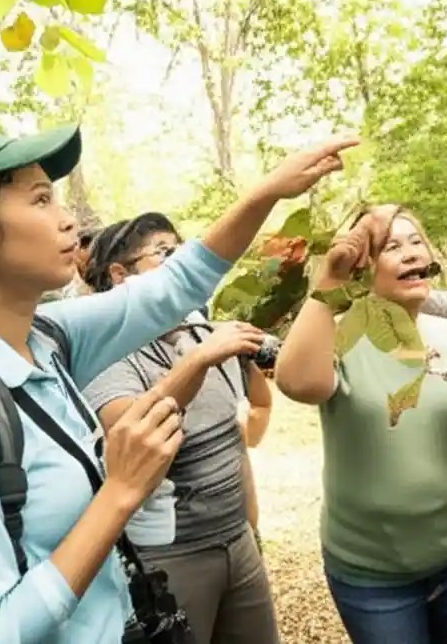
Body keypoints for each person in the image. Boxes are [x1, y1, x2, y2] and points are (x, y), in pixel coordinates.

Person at [0, 121, 355, 643]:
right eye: (41, 200)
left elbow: (173, 286)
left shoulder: (44, 340)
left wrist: (268, 191)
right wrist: (119, 493)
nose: (68, 220)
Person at [273, 205, 447, 644]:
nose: (411, 253)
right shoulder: (338, 336)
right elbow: (298, 383)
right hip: (368, 576)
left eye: (416, 242)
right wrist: (331, 276)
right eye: (392, 246)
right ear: (363, 268)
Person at [81, 211, 279, 644]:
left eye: (181, 250)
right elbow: (134, 434)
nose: (181, 265)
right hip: (170, 557)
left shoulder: (202, 333)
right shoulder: (105, 351)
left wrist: (250, 529)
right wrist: (202, 358)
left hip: (238, 541)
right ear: (119, 274)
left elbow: (240, 434)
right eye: (163, 253)